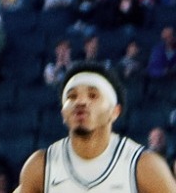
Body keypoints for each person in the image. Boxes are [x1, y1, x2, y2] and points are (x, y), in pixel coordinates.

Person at [12, 63, 176, 193]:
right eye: (72, 96)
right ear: (63, 113)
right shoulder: (39, 166)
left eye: (93, 95)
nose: (81, 102)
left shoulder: (144, 165)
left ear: (115, 112)